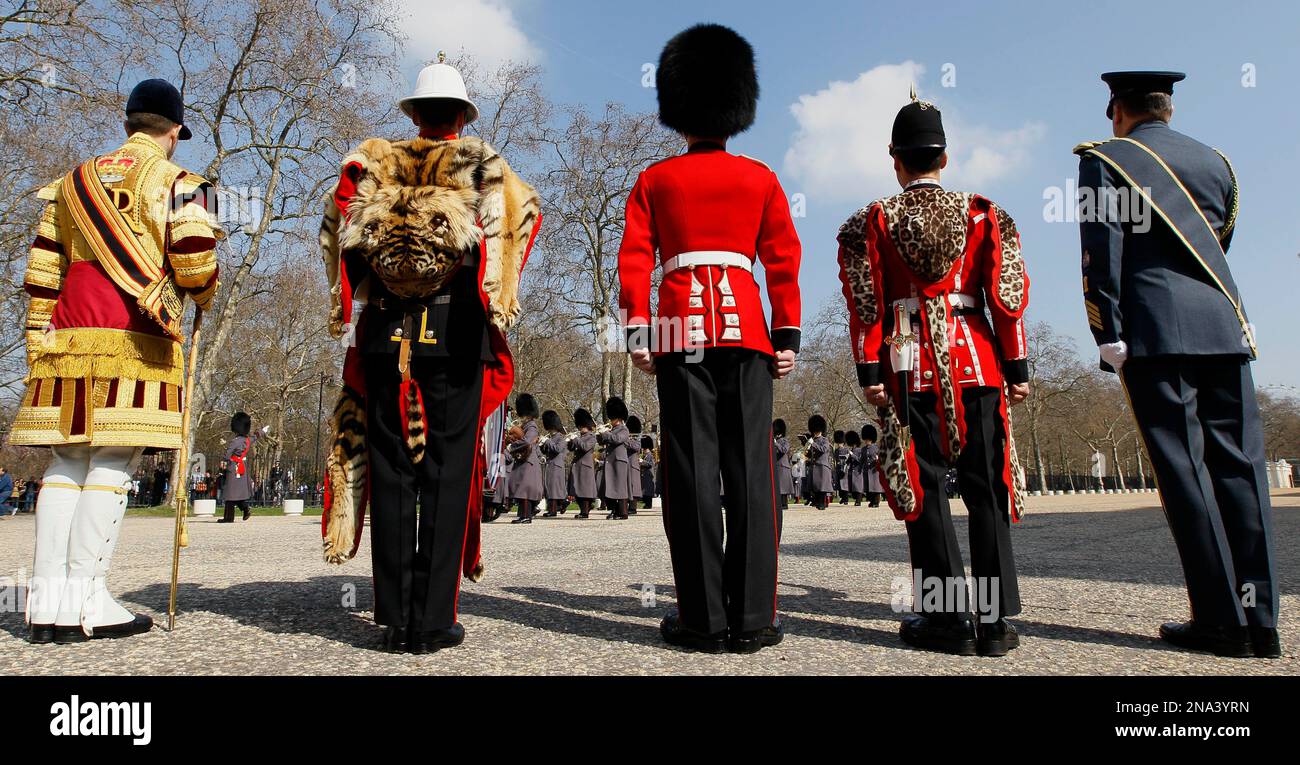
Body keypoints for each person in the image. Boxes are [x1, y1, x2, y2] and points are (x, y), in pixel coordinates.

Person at [319, 53, 541, 654]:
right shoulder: (484, 164)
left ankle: (393, 617)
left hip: (389, 334)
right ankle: (434, 619)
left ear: (414, 114)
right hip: (458, 333)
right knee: (445, 473)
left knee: (392, 470)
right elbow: (524, 223)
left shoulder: (373, 163)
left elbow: (340, 233)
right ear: (462, 117)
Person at [6, 78, 220, 644]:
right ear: (174, 132)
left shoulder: (68, 185)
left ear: (129, 123)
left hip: (66, 337)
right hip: (134, 339)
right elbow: (196, 262)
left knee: (65, 462)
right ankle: (88, 596)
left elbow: (42, 272)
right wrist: (204, 293)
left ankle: (45, 599)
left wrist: (37, 344)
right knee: (112, 461)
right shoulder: (185, 184)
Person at [1075, 72, 1278, 659]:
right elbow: (1219, 243)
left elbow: (1101, 248)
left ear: (1117, 109)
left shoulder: (1106, 158)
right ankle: (1260, 620)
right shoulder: (1218, 162)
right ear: (1169, 107)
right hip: (1224, 323)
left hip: (1154, 331)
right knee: (1242, 470)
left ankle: (1219, 621)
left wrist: (1105, 328)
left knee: (1184, 473)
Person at [619, 25, 801, 654]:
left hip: (678, 332)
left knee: (692, 474)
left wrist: (638, 328)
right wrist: (788, 332)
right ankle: (754, 617)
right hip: (748, 333)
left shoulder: (656, 181)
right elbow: (782, 260)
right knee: (751, 471)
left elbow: (635, 261)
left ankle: (701, 618)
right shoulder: (761, 178)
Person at [836, 91, 1032, 657]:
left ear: (894, 159)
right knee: (988, 490)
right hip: (979, 361)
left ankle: (947, 619)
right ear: (944, 158)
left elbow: (866, 304)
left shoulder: (872, 220)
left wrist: (868, 369)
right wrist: (1016, 365)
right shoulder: (984, 212)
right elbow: (1007, 297)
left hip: (909, 364)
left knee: (923, 491)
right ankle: (994, 624)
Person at [220, 412, 265, 523]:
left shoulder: (235, 442)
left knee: (230, 493)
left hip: (234, 467)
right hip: (242, 468)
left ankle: (229, 517)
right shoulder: (247, 440)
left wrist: (224, 461)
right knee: (237, 492)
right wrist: (263, 431)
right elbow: (256, 437)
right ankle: (245, 508)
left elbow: (227, 455)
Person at [507, 394, 544, 524]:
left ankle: (526, 516)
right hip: (524, 460)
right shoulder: (526, 425)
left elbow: (527, 441)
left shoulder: (532, 426)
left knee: (525, 490)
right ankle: (523, 515)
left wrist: (512, 445)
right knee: (522, 489)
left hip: (529, 461)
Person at [596, 397, 633, 521]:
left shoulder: (624, 429)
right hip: (610, 461)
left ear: (619, 417)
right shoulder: (612, 430)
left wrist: (606, 433)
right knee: (610, 487)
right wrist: (599, 434)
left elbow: (617, 439)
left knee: (620, 487)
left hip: (619, 461)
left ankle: (623, 512)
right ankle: (614, 510)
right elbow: (602, 441)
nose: (610, 420)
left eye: (612, 417)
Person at [568, 408, 598, 519]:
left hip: (585, 467)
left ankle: (585, 512)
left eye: (582, 426)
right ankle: (583, 510)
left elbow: (585, 447)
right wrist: (570, 442)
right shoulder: (580, 437)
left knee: (585, 490)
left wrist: (575, 439)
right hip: (578, 466)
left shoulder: (592, 437)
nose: (580, 428)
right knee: (578, 490)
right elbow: (572, 448)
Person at [539, 410, 570, 517]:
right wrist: (541, 445)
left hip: (557, 465)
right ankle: (562, 504)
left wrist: (547, 441)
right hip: (550, 465)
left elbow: (557, 449)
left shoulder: (561, 438)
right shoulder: (552, 438)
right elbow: (546, 451)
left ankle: (552, 510)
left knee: (554, 488)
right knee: (550, 487)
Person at [807, 417, 833, 510]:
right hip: (814, 466)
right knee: (816, 487)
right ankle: (818, 503)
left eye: (817, 430)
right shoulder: (813, 440)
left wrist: (813, 444)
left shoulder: (824, 440)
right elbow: (810, 454)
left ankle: (822, 503)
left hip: (822, 466)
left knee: (822, 487)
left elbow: (823, 449)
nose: (815, 432)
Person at [772, 420, 793, 510]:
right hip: (775, 466)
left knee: (783, 487)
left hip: (783, 466)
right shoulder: (773, 441)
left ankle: (784, 504)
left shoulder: (784, 441)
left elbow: (784, 450)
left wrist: (776, 444)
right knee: (777, 487)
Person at [861, 425, 883, 507]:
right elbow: (862, 460)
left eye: (867, 439)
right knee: (869, 487)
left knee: (875, 487)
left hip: (874, 470)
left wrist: (878, 459)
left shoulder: (876, 448)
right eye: (865, 439)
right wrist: (860, 468)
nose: (866, 441)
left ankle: (876, 502)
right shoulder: (863, 449)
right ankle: (871, 501)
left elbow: (882, 457)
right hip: (867, 470)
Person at [845, 430, 865, 506]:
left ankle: (858, 501)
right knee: (853, 488)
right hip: (852, 471)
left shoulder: (860, 450)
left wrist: (852, 455)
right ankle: (857, 499)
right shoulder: (852, 450)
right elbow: (850, 461)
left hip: (858, 471)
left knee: (858, 487)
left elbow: (860, 460)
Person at [639, 435, 657, 509]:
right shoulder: (645, 455)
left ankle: (648, 505)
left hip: (649, 476)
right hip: (645, 475)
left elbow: (650, 464)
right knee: (645, 491)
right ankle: (646, 504)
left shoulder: (650, 455)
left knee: (648, 491)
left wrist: (642, 461)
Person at [833, 430, 850, 505]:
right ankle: (842, 498)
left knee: (844, 484)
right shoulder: (836, 450)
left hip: (844, 468)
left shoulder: (846, 450)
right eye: (838, 443)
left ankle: (846, 499)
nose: (839, 444)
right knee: (839, 485)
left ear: (843, 443)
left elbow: (848, 459)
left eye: (840, 443)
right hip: (838, 468)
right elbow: (835, 459)